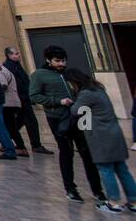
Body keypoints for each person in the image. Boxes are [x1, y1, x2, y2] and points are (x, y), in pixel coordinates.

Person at [30, 45, 106, 204]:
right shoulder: (39, 75)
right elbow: (35, 96)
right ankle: (70, 189)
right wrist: (58, 101)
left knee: (87, 152)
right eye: (57, 61)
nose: (61, 64)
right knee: (66, 152)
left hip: (78, 116)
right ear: (48, 60)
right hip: (58, 118)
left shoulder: (69, 74)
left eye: (63, 60)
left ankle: (97, 190)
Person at [66, 67, 136, 214]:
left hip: (101, 136)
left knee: (106, 169)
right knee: (122, 169)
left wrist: (70, 102)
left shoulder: (85, 94)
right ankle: (133, 201)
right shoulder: (98, 89)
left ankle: (113, 202)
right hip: (115, 133)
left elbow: (76, 111)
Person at [3, 47, 52, 155]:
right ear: (9, 55)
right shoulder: (9, 67)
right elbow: (17, 84)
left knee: (19, 122)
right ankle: (36, 145)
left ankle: (6, 141)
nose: (18, 55)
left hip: (23, 98)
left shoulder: (16, 65)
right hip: (21, 98)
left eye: (18, 53)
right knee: (31, 121)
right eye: (15, 54)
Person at [0, 56, 29, 157]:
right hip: (11, 102)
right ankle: (9, 145)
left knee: (9, 126)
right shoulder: (3, 69)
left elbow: (3, 85)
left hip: (7, 103)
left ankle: (20, 147)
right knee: (10, 126)